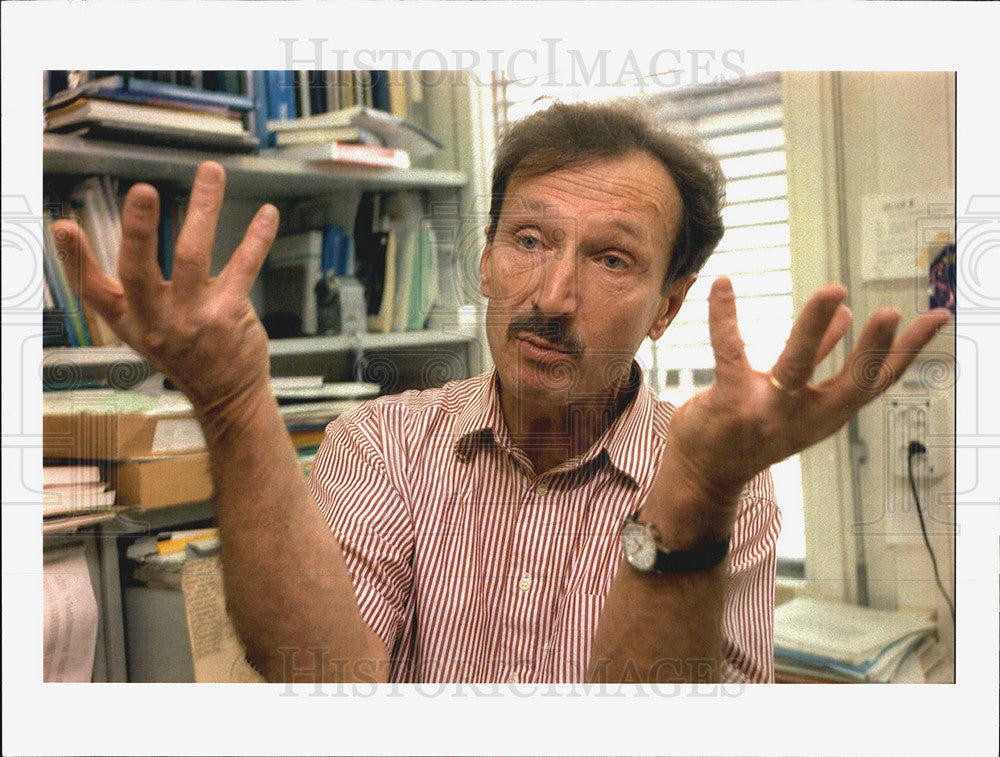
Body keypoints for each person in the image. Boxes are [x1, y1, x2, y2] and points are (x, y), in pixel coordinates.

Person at [53, 101, 950, 684]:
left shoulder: (726, 484)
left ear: (666, 307)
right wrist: (232, 400)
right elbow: (327, 684)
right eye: (528, 240)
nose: (551, 297)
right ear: (483, 260)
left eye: (611, 259)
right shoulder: (380, 442)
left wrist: (699, 490)